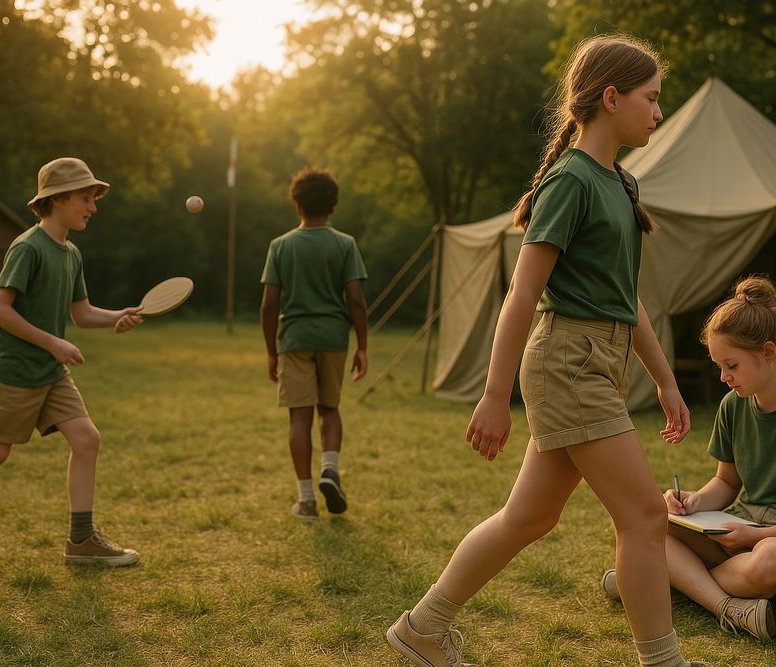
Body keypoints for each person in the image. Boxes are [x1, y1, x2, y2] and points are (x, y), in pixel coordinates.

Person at [387, 36, 705, 667]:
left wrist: (665, 380)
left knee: (528, 518)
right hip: (569, 364)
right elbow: (522, 293)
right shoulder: (570, 182)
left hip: (594, 363)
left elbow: (626, 299)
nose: (658, 114)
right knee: (645, 516)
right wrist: (492, 395)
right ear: (611, 98)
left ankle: (423, 627)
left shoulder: (620, 182)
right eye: (651, 99)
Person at [603, 276, 776, 642]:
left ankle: (662, 581)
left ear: (768, 353)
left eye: (731, 365)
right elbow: (727, 482)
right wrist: (693, 502)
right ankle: (725, 605)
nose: (723, 377)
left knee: (770, 560)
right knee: (649, 518)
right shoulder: (733, 406)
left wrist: (757, 535)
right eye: (719, 365)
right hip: (740, 528)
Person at [0, 157, 145, 567]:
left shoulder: (71, 253)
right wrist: (53, 343)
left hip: (49, 369)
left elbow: (81, 313)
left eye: (93, 199)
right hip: (14, 370)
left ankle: (81, 541)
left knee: (87, 439)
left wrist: (118, 316)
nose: (92, 207)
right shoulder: (28, 247)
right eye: (85, 198)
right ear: (57, 199)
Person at [260, 167, 369, 521]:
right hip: (334, 338)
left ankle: (306, 500)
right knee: (330, 409)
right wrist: (362, 346)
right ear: (333, 205)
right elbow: (355, 299)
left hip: (294, 339)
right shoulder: (345, 244)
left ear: (297, 204)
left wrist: (271, 352)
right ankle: (330, 469)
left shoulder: (281, 246)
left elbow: (269, 304)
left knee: (299, 418)